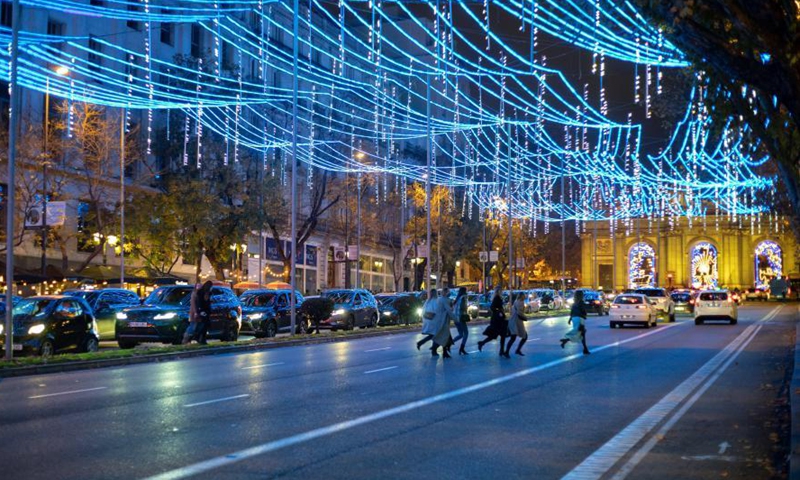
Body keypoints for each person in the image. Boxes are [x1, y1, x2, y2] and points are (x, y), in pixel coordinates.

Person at [477, 286, 509, 358]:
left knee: (501, 335)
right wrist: (499, 312)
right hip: (498, 319)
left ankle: (501, 350)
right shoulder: (497, 297)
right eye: (501, 290)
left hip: (499, 319)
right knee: (495, 335)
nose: (502, 291)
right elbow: (492, 307)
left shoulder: (498, 297)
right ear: (498, 291)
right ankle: (482, 343)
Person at [561, 289, 590, 355]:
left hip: (574, 318)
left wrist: (570, 319)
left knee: (580, 333)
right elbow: (583, 311)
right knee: (581, 333)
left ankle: (585, 349)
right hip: (580, 318)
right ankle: (566, 339)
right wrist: (585, 315)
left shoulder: (574, 303)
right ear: (581, 295)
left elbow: (572, 311)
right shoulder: (581, 302)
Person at [431, 287, 454, 358]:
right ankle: (436, 350)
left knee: (444, 337)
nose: (449, 293)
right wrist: (456, 319)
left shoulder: (440, 299)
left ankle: (444, 352)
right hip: (443, 321)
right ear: (445, 292)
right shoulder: (444, 300)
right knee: (443, 337)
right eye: (448, 292)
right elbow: (449, 311)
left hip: (441, 321)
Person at [451, 287, 470, 355]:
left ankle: (449, 343)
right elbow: (463, 307)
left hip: (455, 318)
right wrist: (466, 308)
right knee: (466, 333)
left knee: (461, 334)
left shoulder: (457, 298)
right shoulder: (463, 297)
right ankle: (462, 348)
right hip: (461, 318)